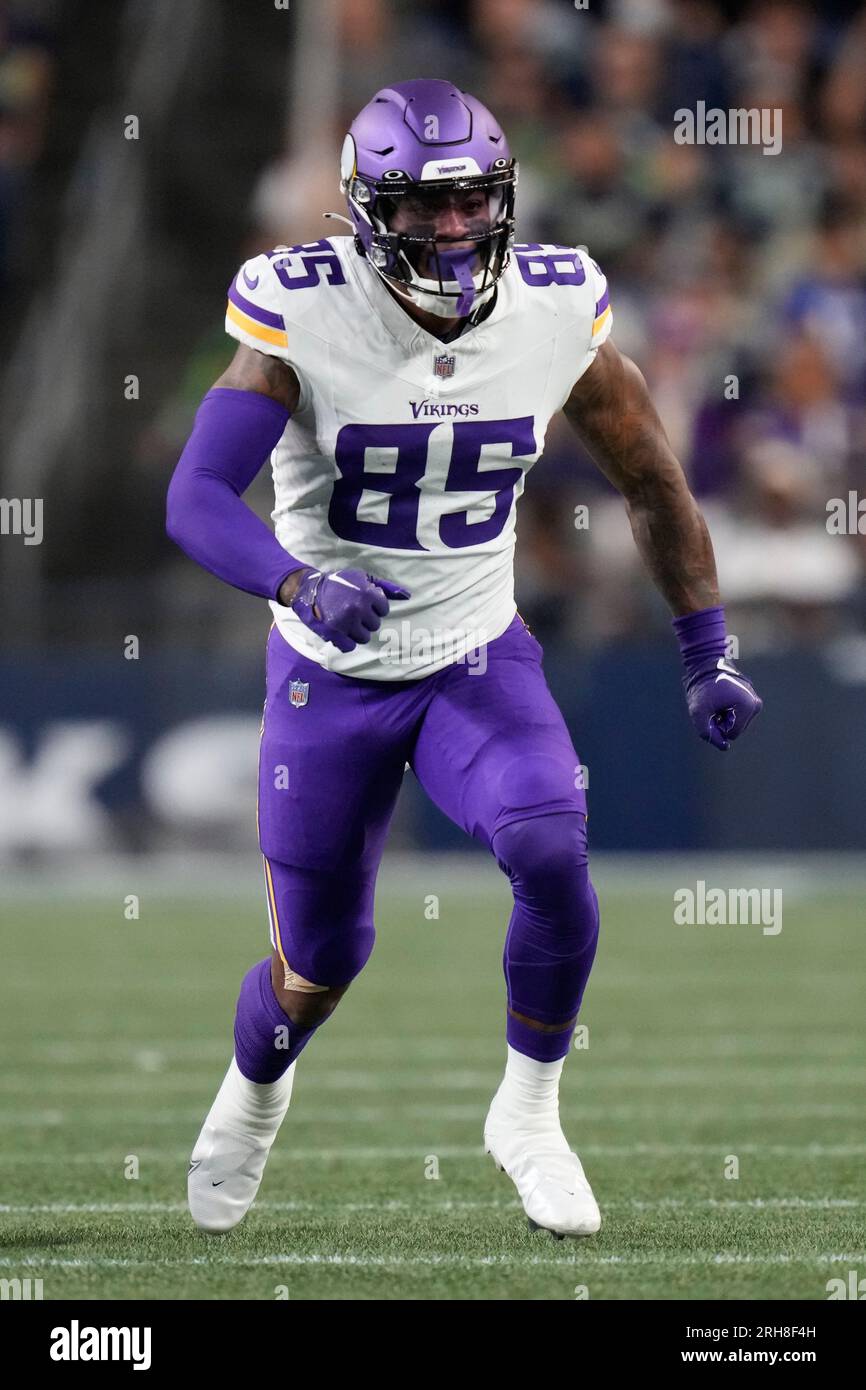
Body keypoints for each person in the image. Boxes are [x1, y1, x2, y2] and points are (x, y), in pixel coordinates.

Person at [167, 78, 762, 1239]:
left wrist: (705, 649)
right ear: (363, 211)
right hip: (326, 674)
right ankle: (254, 1088)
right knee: (317, 966)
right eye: (421, 207)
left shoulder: (551, 304)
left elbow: (650, 478)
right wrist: (297, 580)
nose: (451, 230)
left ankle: (528, 1112)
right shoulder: (306, 309)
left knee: (548, 844)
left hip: (471, 655)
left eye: (469, 202)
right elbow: (193, 496)